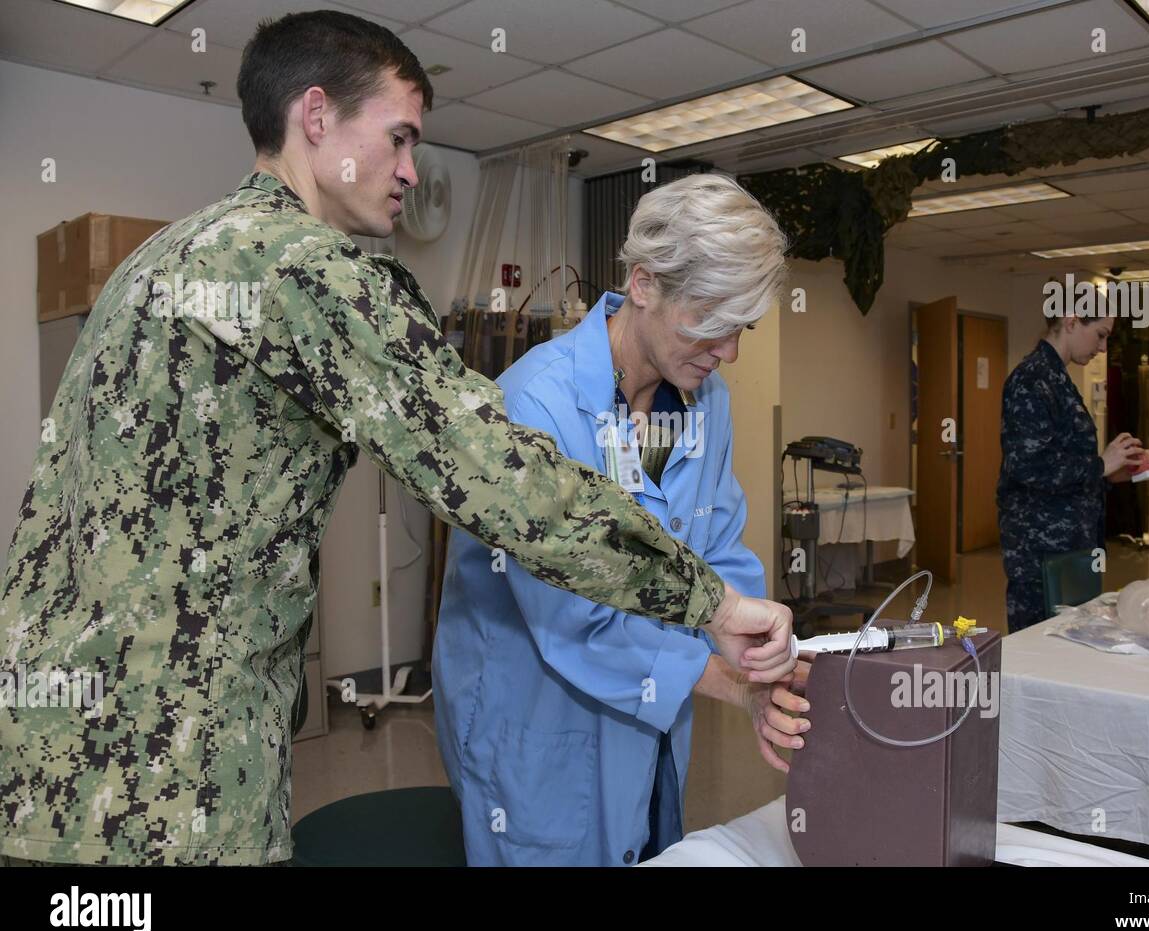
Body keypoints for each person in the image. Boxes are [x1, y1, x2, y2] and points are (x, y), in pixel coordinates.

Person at [0, 11, 793, 867]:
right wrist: (710, 606)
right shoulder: (307, 271)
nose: (414, 172)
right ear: (316, 117)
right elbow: (509, 485)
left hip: (54, 749)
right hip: (165, 769)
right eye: (401, 138)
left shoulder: (161, 257)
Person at [433, 174, 810, 866]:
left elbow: (716, 542)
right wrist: (729, 683)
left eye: (741, 328)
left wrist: (756, 649)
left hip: (653, 716)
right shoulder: (533, 406)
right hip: (538, 723)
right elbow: (572, 614)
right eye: (713, 322)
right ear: (643, 283)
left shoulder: (703, 398)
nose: (728, 352)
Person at [998, 310, 1145, 634]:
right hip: (1040, 550)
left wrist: (1110, 474)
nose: (1103, 348)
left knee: (1072, 645)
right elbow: (1027, 466)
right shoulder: (1032, 380)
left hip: (1070, 543)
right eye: (1101, 335)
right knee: (1038, 649)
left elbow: (1062, 464)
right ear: (1071, 321)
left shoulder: (1057, 379)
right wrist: (1100, 464)